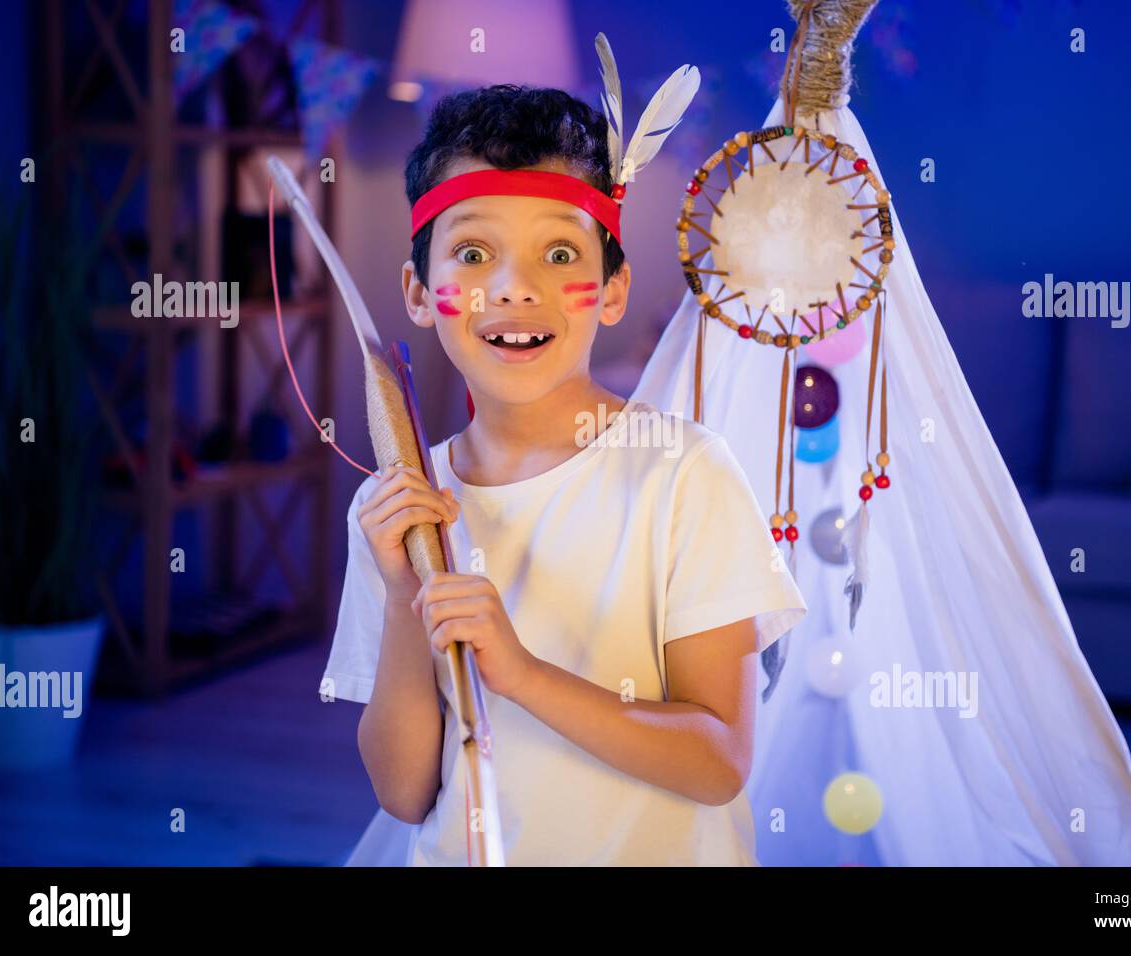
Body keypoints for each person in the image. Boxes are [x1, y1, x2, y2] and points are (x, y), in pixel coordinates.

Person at [321, 82, 807, 866]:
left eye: (559, 254)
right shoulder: (395, 508)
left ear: (612, 289)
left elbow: (719, 762)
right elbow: (403, 792)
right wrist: (409, 592)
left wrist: (521, 675)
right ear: (419, 291)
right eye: (474, 254)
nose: (515, 287)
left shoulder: (684, 478)